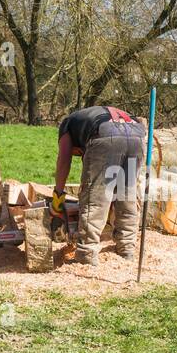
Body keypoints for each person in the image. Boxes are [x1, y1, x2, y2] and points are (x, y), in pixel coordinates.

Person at [52, 106, 146, 266]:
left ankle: (86, 254)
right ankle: (127, 248)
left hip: (105, 135)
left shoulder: (66, 125)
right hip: (137, 137)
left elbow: (63, 161)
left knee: (94, 200)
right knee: (126, 195)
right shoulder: (88, 119)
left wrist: (58, 196)